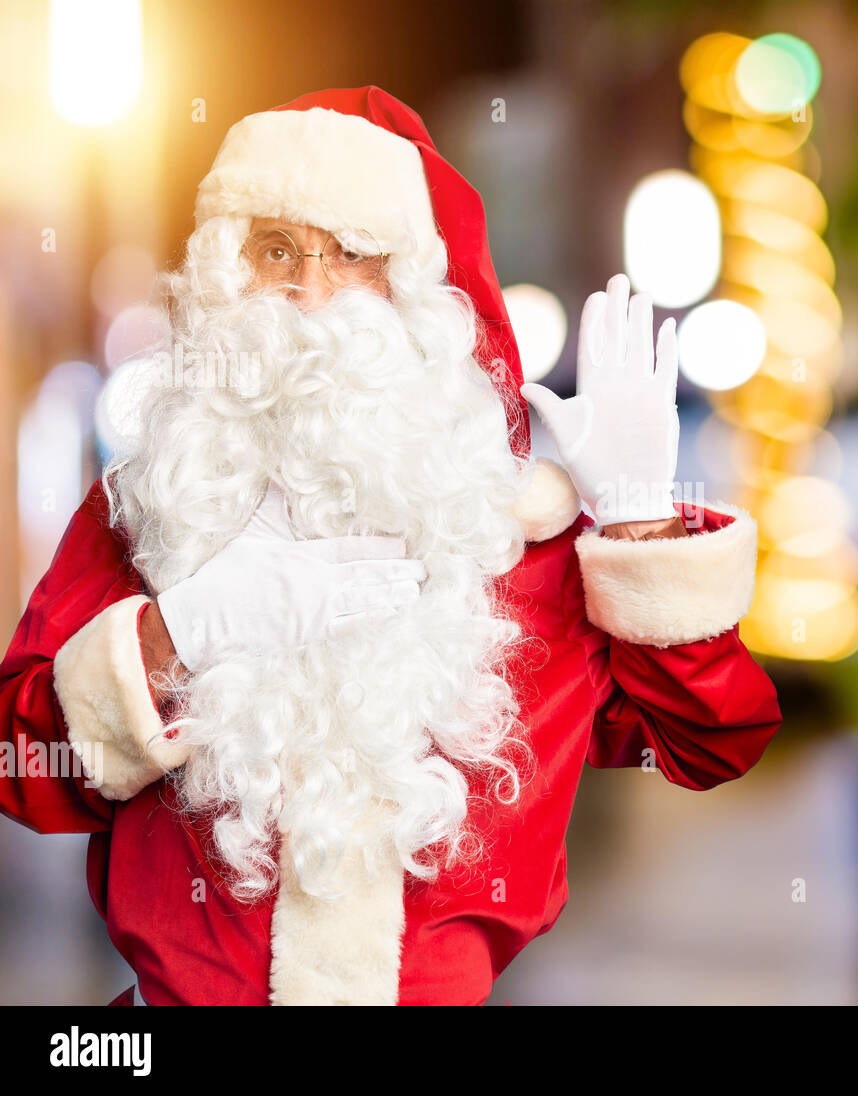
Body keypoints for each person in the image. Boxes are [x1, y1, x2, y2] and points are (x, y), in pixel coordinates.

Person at [0, 86, 781, 1005]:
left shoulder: (515, 545)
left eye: (355, 255)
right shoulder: (151, 505)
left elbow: (707, 742)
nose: (311, 295)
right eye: (276, 250)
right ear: (225, 277)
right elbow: (23, 770)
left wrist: (641, 519)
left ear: (418, 293)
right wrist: (181, 633)